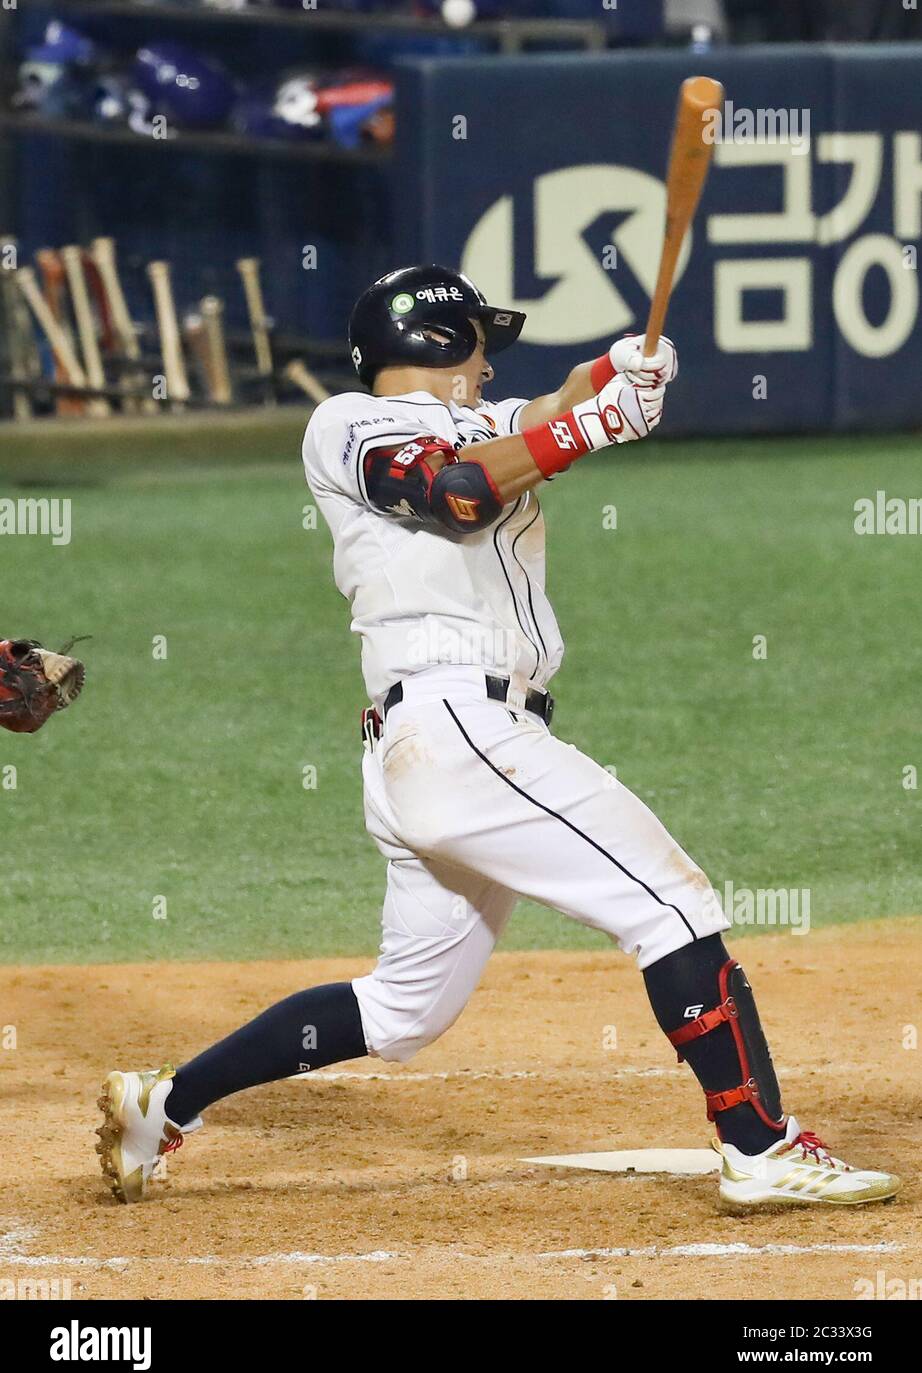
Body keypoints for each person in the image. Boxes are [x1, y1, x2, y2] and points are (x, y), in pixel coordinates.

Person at [96, 264, 900, 1211]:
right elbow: (455, 493)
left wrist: (621, 370)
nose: (487, 362)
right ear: (434, 341)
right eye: (477, 341)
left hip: (443, 745)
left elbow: (549, 411)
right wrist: (588, 425)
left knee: (404, 1010)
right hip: (458, 732)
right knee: (672, 906)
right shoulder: (348, 423)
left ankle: (166, 1104)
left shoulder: (489, 419)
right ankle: (759, 1147)